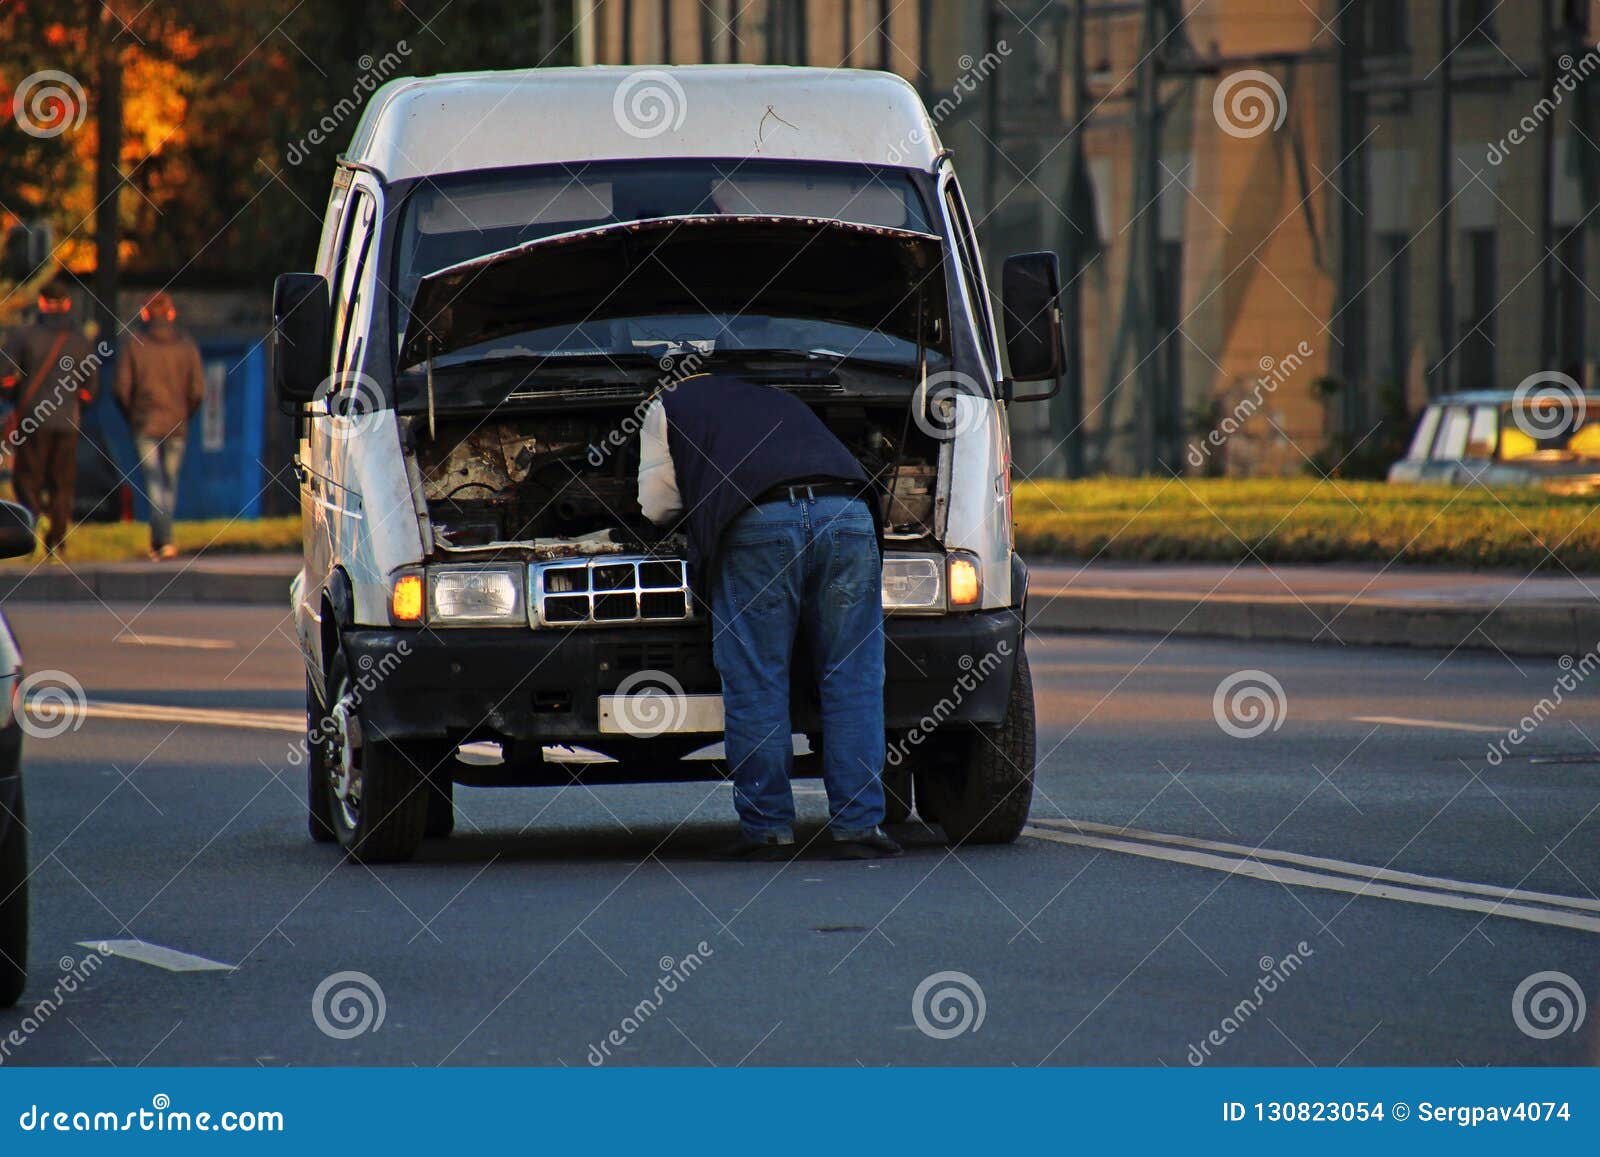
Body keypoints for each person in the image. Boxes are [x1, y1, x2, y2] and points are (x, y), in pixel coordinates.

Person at [638, 373, 901, 861]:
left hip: (759, 524)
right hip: (847, 515)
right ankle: (859, 827)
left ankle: (768, 829)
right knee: (853, 677)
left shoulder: (667, 405)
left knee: (758, 678)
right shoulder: (778, 395)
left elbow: (657, 506)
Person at [0, 280, 94, 559]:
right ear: (67, 303)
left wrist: (16, 396)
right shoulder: (81, 341)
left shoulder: (24, 337)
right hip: (68, 421)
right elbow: (92, 388)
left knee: (28, 479)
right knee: (62, 482)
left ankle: (30, 526)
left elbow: (4, 376)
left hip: (32, 420)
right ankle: (57, 538)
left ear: (41, 303)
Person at [114, 291, 204, 560]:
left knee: (154, 482)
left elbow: (121, 388)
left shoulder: (134, 344)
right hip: (177, 423)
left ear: (144, 314)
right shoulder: (186, 346)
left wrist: (133, 415)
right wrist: (185, 413)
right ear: (171, 313)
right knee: (169, 483)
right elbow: (197, 390)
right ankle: (164, 539)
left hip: (145, 423)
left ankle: (161, 540)